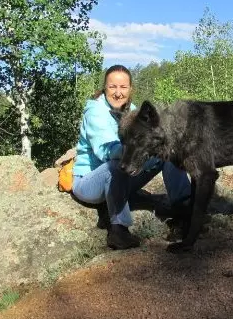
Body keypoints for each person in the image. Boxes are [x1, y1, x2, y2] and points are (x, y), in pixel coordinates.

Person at [72, 64, 191, 250]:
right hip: (90, 182)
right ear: (105, 88)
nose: (118, 92)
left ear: (130, 89)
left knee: (168, 152)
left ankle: (185, 212)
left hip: (122, 178)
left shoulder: (132, 112)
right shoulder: (95, 112)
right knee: (115, 165)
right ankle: (119, 230)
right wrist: (134, 152)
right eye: (112, 87)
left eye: (123, 87)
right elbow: (106, 151)